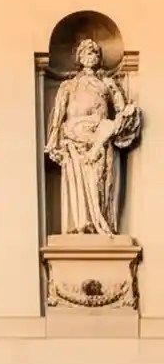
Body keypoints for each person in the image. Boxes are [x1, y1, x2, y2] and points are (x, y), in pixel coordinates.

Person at [45, 38, 141, 235]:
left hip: (100, 139)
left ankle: (101, 223)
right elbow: (59, 114)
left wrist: (125, 116)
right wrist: (54, 140)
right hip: (74, 139)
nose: (92, 56)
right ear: (80, 57)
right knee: (79, 185)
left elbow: (122, 110)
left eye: (95, 52)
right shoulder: (69, 85)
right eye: (87, 52)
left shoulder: (107, 83)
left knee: (99, 183)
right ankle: (83, 223)